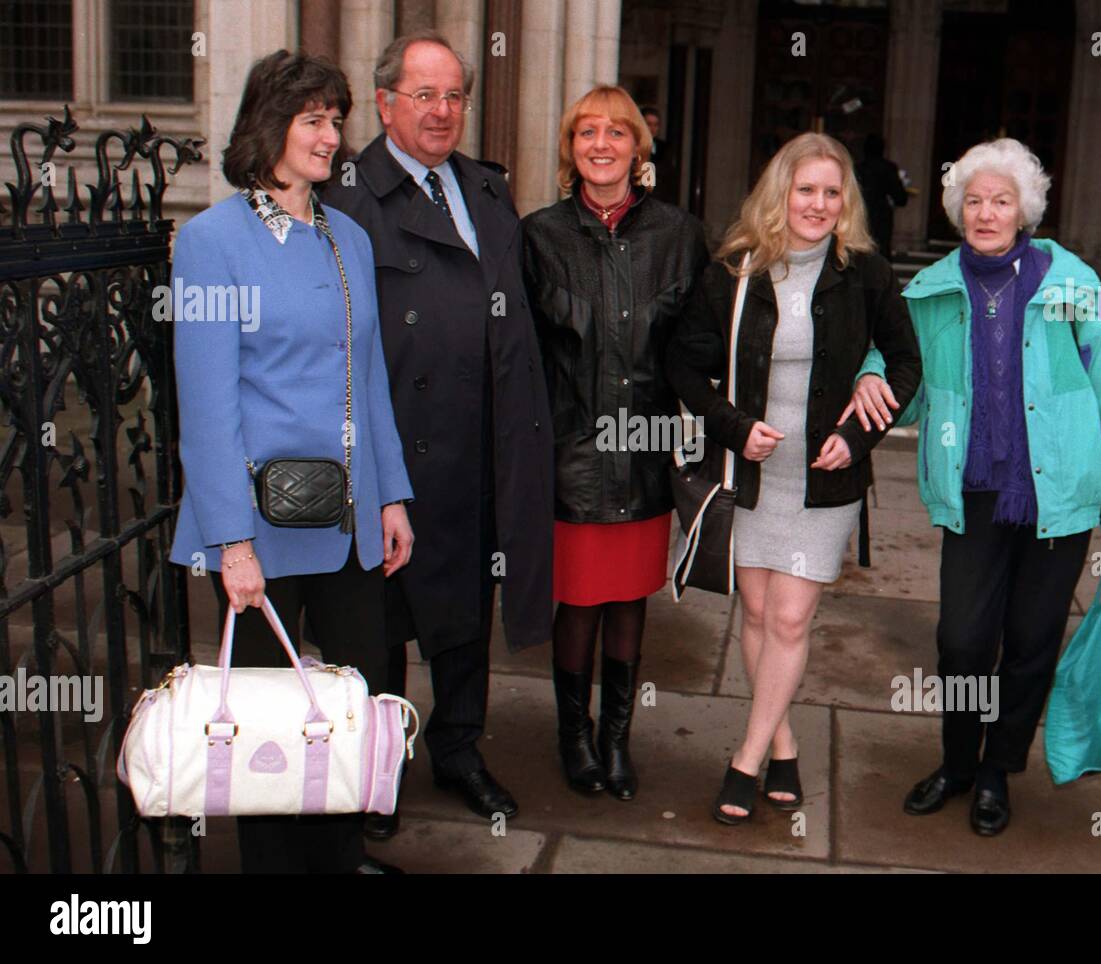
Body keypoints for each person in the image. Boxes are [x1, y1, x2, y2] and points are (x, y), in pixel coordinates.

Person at [845, 137, 1101, 836]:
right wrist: (871, 371)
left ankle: (999, 770)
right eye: (973, 200)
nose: (986, 213)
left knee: (1030, 640)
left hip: (1060, 499)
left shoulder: (1074, 287)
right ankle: (959, 762)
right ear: (956, 209)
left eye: (1001, 201)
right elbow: (897, 370)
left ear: (1024, 210)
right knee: (963, 640)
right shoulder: (931, 290)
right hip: (973, 496)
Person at [169, 50, 414, 873]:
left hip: (347, 523)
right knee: (267, 725)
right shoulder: (211, 243)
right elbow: (205, 411)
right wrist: (231, 544)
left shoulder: (346, 233)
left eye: (336, 119)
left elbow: (368, 375)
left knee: (348, 702)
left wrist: (392, 497)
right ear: (267, 128)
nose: (330, 136)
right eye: (312, 119)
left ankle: (338, 860)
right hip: (259, 534)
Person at [321, 30, 554, 832]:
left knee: (464, 621)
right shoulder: (349, 195)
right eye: (424, 95)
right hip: (395, 451)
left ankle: (459, 749)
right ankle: (377, 769)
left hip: (478, 449)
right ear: (384, 102)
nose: (443, 110)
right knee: (380, 627)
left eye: (454, 94)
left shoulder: (487, 191)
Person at [667, 133, 922, 823]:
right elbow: (683, 365)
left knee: (789, 614)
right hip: (750, 475)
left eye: (831, 192)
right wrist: (732, 425)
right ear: (780, 193)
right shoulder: (735, 268)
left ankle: (745, 759)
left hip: (823, 479)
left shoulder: (864, 271)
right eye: (805, 189)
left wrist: (858, 433)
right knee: (755, 613)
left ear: (847, 203)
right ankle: (783, 742)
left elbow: (905, 364)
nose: (818, 204)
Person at [523, 86, 709, 801]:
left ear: (640, 145)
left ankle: (616, 738)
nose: (601, 145)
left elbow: (699, 347)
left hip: (646, 452)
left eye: (617, 133)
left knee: (630, 599)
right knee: (579, 602)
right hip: (571, 455)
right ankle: (573, 736)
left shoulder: (680, 236)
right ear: (571, 149)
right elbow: (526, 357)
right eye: (586, 133)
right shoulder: (538, 236)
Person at [855, 133, 908, 260]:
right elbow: (900, 197)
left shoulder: (858, 168)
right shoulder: (888, 168)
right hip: (880, 216)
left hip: (861, 214)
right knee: (880, 252)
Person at [640, 106, 680, 204]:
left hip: (659, 201)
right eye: (649, 124)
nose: (653, 128)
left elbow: (670, 179)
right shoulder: (632, 147)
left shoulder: (665, 148)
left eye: (656, 125)